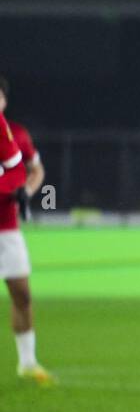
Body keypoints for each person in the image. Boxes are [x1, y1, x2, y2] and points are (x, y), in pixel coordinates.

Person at [0, 79, 52, 385]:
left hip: (6, 226)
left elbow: (27, 171)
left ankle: (28, 362)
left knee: (22, 294)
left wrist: (24, 191)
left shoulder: (12, 132)